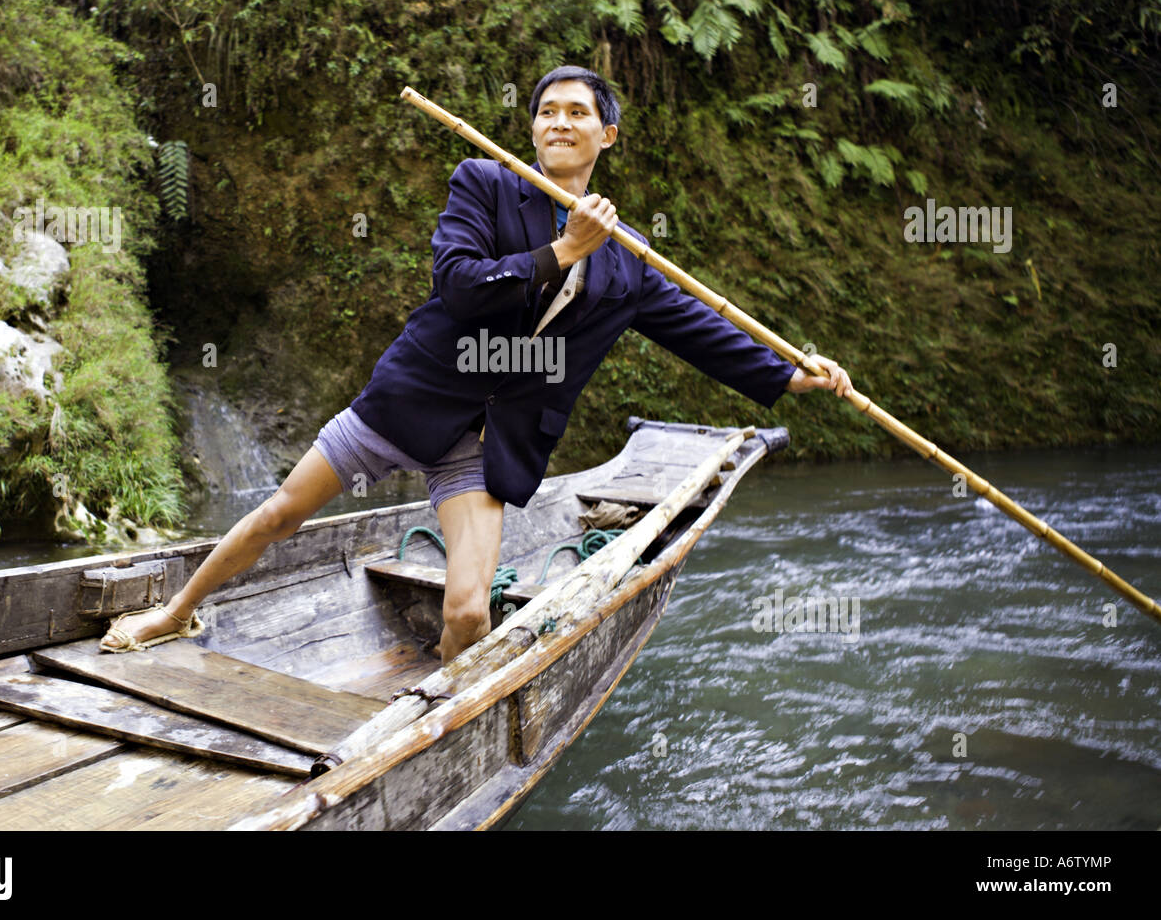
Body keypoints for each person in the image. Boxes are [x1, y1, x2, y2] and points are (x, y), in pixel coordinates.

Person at [101, 65, 853, 663]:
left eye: (577, 113)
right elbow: (458, 285)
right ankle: (172, 613)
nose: (559, 122)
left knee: (468, 608)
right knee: (280, 514)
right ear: (532, 128)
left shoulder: (628, 261)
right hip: (412, 400)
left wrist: (789, 374)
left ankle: (426, 705)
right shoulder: (486, 184)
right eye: (547, 111)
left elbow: (697, 330)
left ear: (608, 136)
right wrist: (560, 253)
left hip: (486, 439)